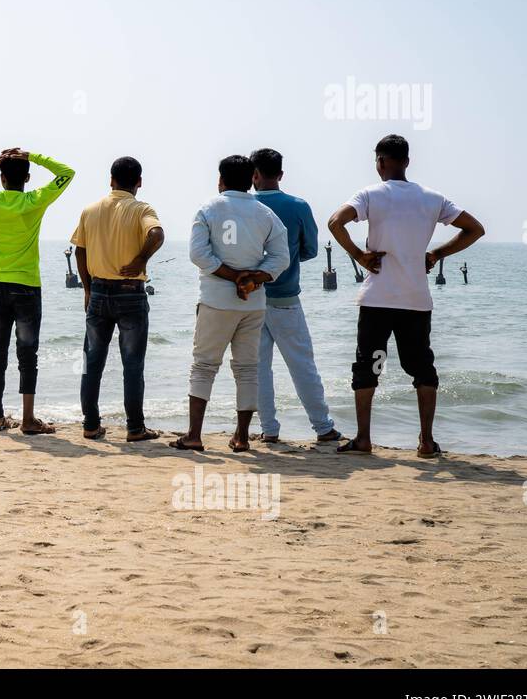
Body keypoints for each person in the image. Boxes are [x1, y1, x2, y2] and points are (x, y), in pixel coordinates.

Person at [326, 134, 485, 458]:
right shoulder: (432, 198)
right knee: (422, 368)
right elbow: (475, 229)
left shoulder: (370, 194)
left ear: (380, 163)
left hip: (377, 299)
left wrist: (359, 255)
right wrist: (437, 254)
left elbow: (334, 222)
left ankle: (364, 439)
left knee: (368, 368)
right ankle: (426, 442)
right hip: (415, 300)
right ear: (407, 161)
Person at [0, 147, 74, 434]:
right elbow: (67, 173)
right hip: (28, 286)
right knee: (27, 353)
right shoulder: (35, 200)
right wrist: (36, 156)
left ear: (2, 179)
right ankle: (28, 419)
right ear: (28, 178)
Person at [172, 155, 290, 453]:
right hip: (252, 302)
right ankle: (242, 437)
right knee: (248, 368)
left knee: (203, 366)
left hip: (215, 300)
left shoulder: (208, 208)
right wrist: (251, 278)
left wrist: (231, 274)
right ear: (252, 178)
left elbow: (199, 254)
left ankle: (194, 435)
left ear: (220, 180)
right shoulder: (265, 214)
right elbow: (281, 259)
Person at [249, 148, 342, 445]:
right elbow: (311, 250)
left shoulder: (246, 206)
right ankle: (323, 427)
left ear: (254, 174)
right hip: (286, 297)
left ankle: (269, 429)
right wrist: (285, 260)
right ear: (281, 174)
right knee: (303, 366)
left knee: (259, 369)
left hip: (250, 299)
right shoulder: (298, 205)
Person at [70, 155, 164, 442]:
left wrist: (87, 289)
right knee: (133, 365)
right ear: (139, 183)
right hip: (130, 294)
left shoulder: (91, 209)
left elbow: (80, 252)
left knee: (92, 362)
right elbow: (157, 234)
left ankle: (91, 425)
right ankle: (135, 428)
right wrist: (140, 260)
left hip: (98, 292)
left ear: (111, 180)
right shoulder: (141, 208)